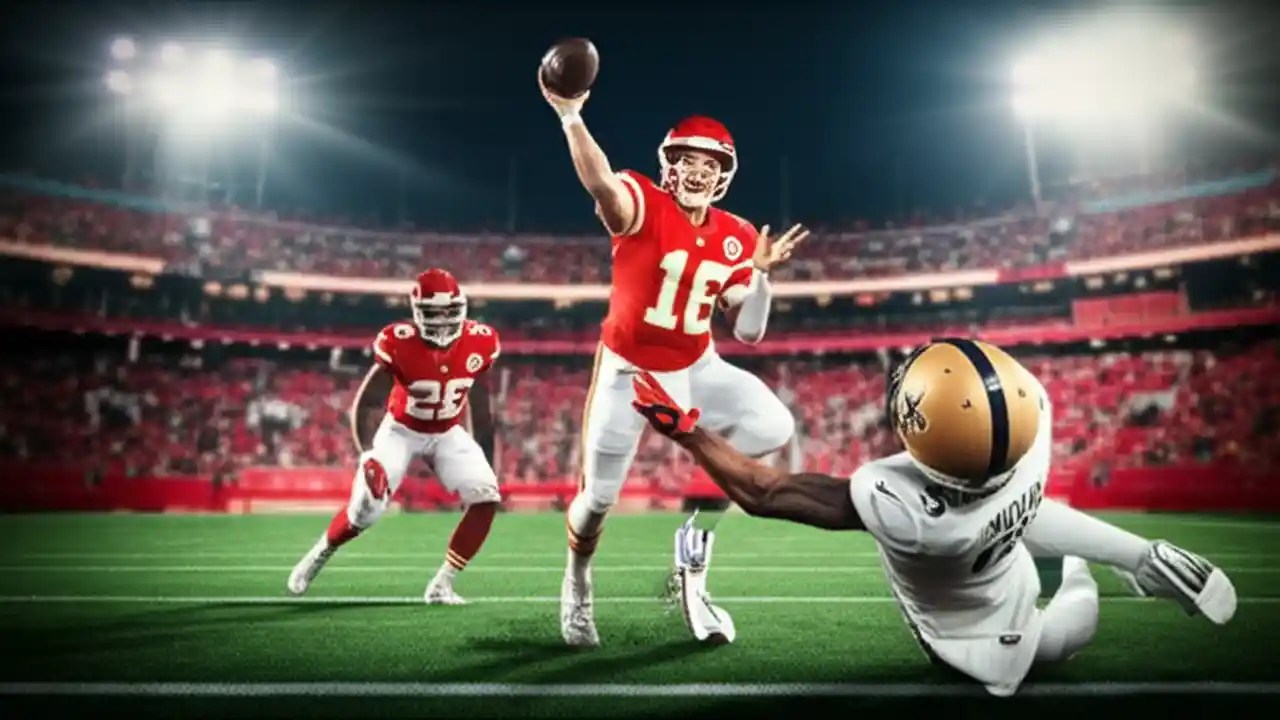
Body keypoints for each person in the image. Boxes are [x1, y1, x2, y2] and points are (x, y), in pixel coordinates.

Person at [630, 338, 1238, 696]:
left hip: (971, 645)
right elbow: (1028, 512)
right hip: (1010, 555)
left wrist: (687, 431)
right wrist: (1135, 552)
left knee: (1066, 629)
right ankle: (1112, 568)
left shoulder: (901, 505)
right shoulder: (1036, 429)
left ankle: (1088, 572)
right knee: (1069, 598)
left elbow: (763, 492)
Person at [539, 69, 808, 646]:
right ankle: (578, 585)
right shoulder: (642, 200)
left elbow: (753, 332)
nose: (697, 171)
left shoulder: (737, 235)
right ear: (670, 163)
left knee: (773, 424)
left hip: (696, 364)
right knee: (597, 499)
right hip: (630, 370)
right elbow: (603, 186)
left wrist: (760, 277)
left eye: (710, 165)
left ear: (723, 178)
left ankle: (694, 543)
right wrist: (570, 114)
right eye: (688, 160)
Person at [287, 268, 502, 605]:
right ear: (417, 312)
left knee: (486, 497)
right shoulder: (398, 342)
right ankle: (322, 549)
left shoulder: (481, 340)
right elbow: (367, 402)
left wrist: (488, 460)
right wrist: (367, 455)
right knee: (366, 511)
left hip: (447, 431)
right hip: (401, 430)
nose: (443, 320)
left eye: (450, 311)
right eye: (434, 312)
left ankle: (442, 584)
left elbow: (481, 407)